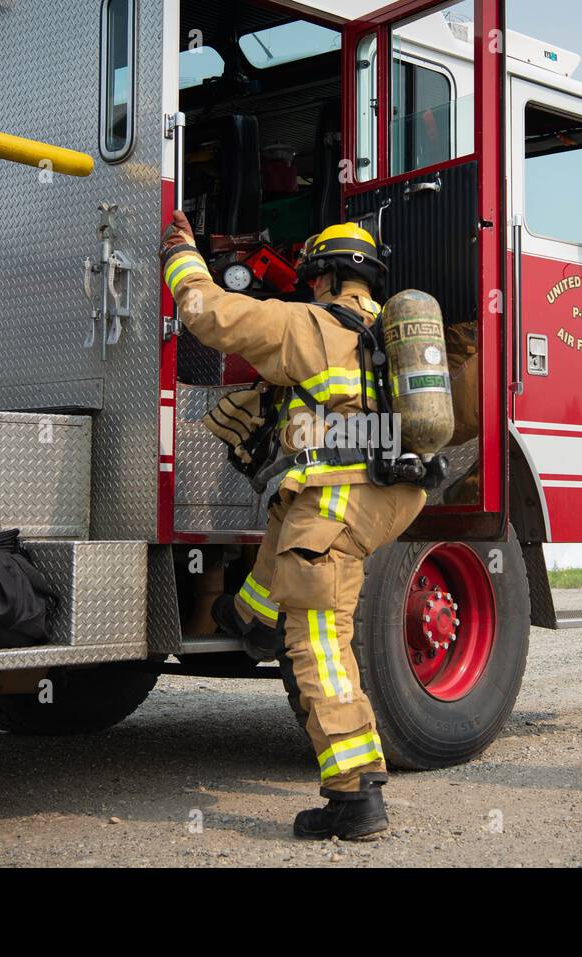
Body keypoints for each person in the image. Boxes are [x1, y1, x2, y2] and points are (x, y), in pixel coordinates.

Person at [161, 213, 428, 838]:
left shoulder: (309, 324)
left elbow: (208, 314)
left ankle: (355, 793)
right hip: (388, 495)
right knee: (289, 511)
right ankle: (253, 618)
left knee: (320, 643)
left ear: (326, 276)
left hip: (341, 498)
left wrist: (181, 253)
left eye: (312, 278)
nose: (308, 288)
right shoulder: (387, 333)